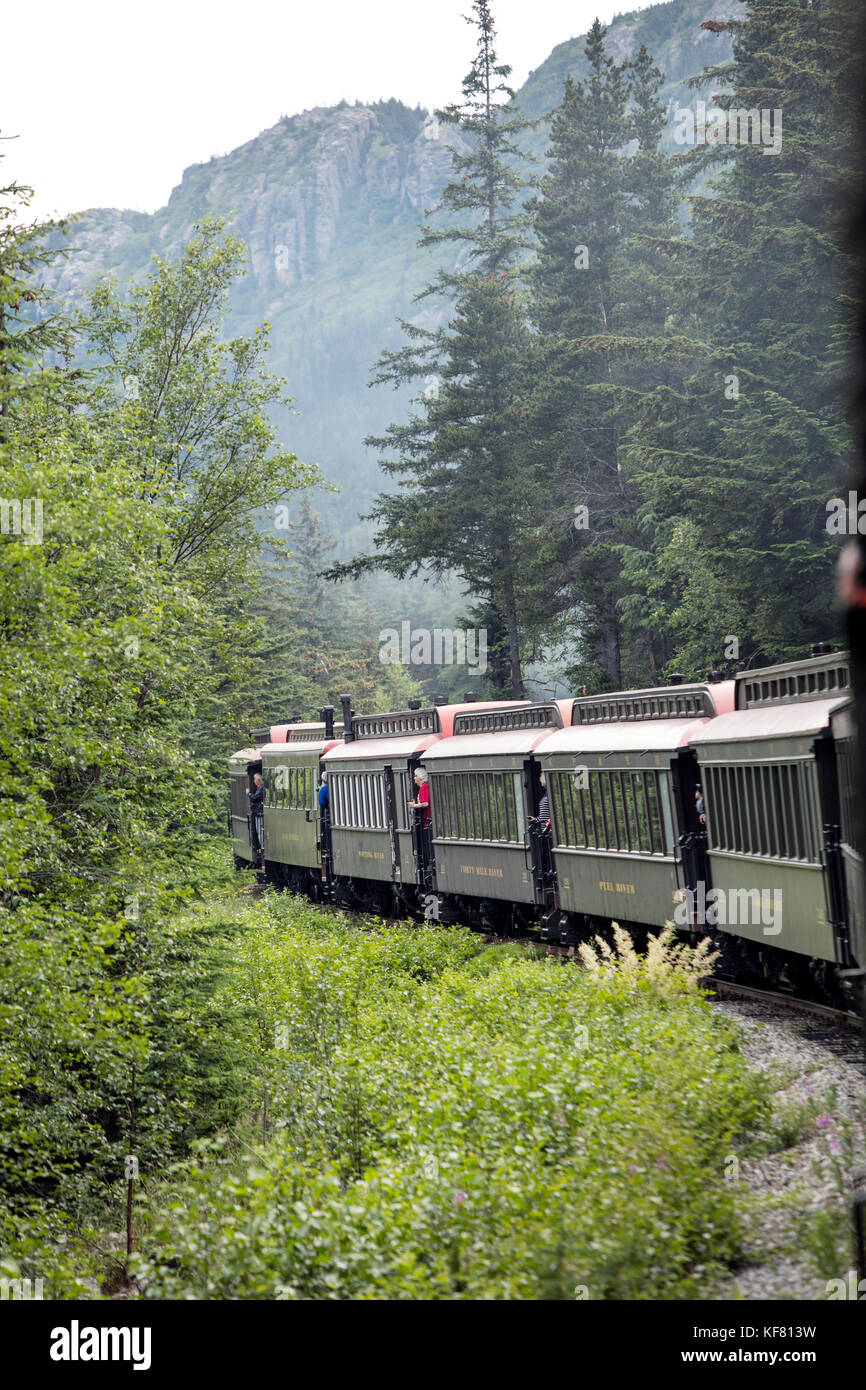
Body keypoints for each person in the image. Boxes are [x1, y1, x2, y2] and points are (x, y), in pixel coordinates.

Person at [246, 772, 265, 869]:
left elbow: (255, 798)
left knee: (260, 831)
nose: (253, 782)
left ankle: (262, 847)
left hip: (260, 814)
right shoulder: (260, 788)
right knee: (259, 831)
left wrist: (248, 793)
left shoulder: (261, 788)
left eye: (254, 780)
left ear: (258, 781)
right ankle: (262, 846)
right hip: (258, 813)